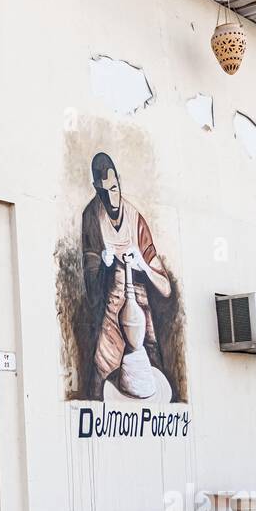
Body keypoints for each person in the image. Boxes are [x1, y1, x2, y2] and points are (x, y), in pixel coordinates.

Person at [81, 152, 171, 399]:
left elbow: (165, 288)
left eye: (114, 187)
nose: (112, 197)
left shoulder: (135, 219)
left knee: (150, 378)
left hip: (140, 312)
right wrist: (102, 265)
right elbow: (90, 289)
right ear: (95, 190)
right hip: (111, 309)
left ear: (119, 181)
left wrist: (143, 265)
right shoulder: (92, 217)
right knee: (101, 376)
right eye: (104, 191)